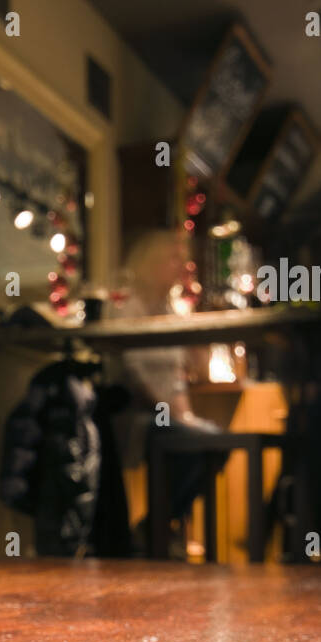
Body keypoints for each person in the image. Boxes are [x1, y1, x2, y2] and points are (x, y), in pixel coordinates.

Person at [107, 229, 221, 553]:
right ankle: (157, 528)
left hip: (169, 411)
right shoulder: (127, 303)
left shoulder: (174, 307)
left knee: (214, 441)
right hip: (136, 410)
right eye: (174, 258)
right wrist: (173, 415)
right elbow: (132, 371)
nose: (182, 265)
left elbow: (187, 374)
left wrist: (185, 415)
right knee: (191, 438)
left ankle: (158, 524)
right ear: (152, 262)